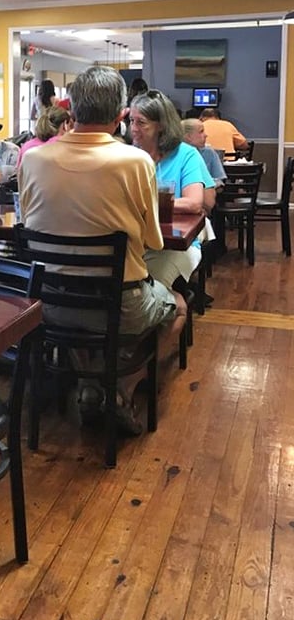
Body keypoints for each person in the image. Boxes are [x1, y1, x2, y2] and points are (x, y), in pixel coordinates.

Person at [19, 66, 182, 434]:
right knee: (177, 307)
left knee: (83, 319)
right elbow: (154, 242)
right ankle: (120, 389)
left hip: (50, 305)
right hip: (119, 306)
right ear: (121, 115)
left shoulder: (32, 159)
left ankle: (90, 388)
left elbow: (27, 223)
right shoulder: (135, 161)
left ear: (71, 112)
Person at [130, 90, 215, 290]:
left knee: (149, 288)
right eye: (131, 121)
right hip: (138, 242)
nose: (133, 129)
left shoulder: (186, 155)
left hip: (176, 245)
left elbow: (194, 203)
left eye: (141, 123)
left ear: (161, 126)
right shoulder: (130, 155)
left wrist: (146, 204)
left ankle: (172, 308)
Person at [182, 118, 226, 187]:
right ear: (188, 137)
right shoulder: (175, 155)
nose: (206, 135)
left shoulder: (209, 152)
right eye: (201, 132)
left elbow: (219, 181)